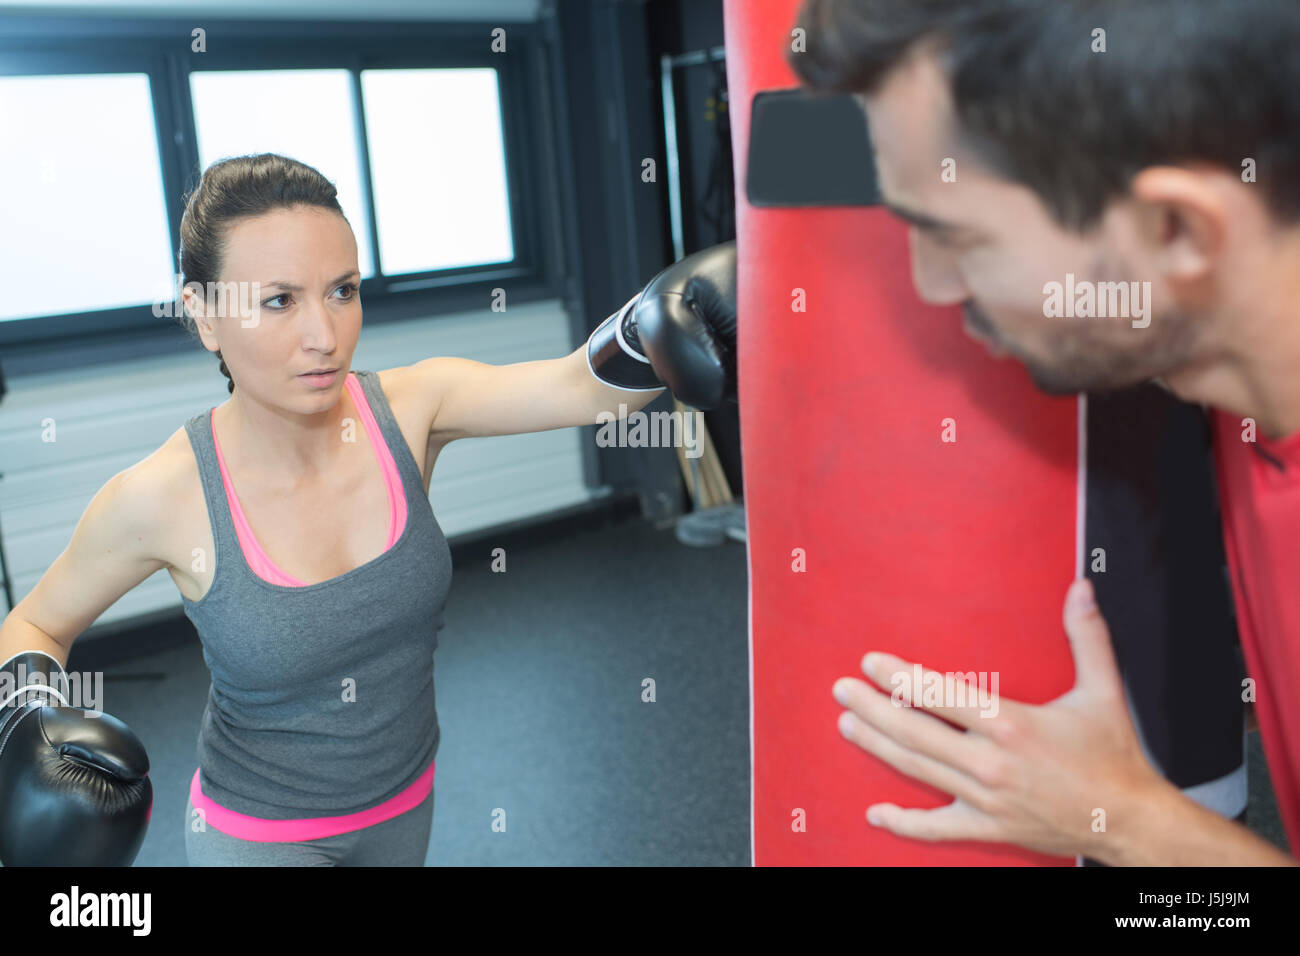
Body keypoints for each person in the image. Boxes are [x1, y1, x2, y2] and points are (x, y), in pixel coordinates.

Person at [0, 152, 736, 866]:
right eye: (280, 300)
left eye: (343, 290)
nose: (325, 336)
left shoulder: (413, 409)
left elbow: (582, 387)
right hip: (256, 839)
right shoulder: (162, 495)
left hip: (405, 808)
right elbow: (31, 623)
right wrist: (26, 725)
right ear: (202, 314)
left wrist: (649, 322)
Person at [789, 0, 1300, 864]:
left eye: (957, 238)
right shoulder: (1228, 370)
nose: (931, 290)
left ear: (1175, 230)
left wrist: (1129, 823)